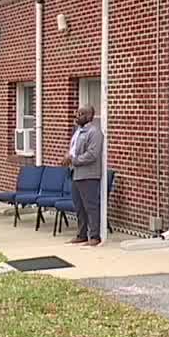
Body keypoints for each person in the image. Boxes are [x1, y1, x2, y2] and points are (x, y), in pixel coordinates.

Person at [64, 105, 105, 246]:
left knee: (90, 206)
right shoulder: (78, 131)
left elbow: (92, 154)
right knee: (79, 206)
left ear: (89, 116)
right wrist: (68, 158)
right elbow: (74, 150)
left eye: (80, 114)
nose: (77, 116)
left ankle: (94, 236)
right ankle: (81, 235)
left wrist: (73, 160)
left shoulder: (94, 132)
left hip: (88, 175)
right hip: (75, 173)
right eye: (77, 113)